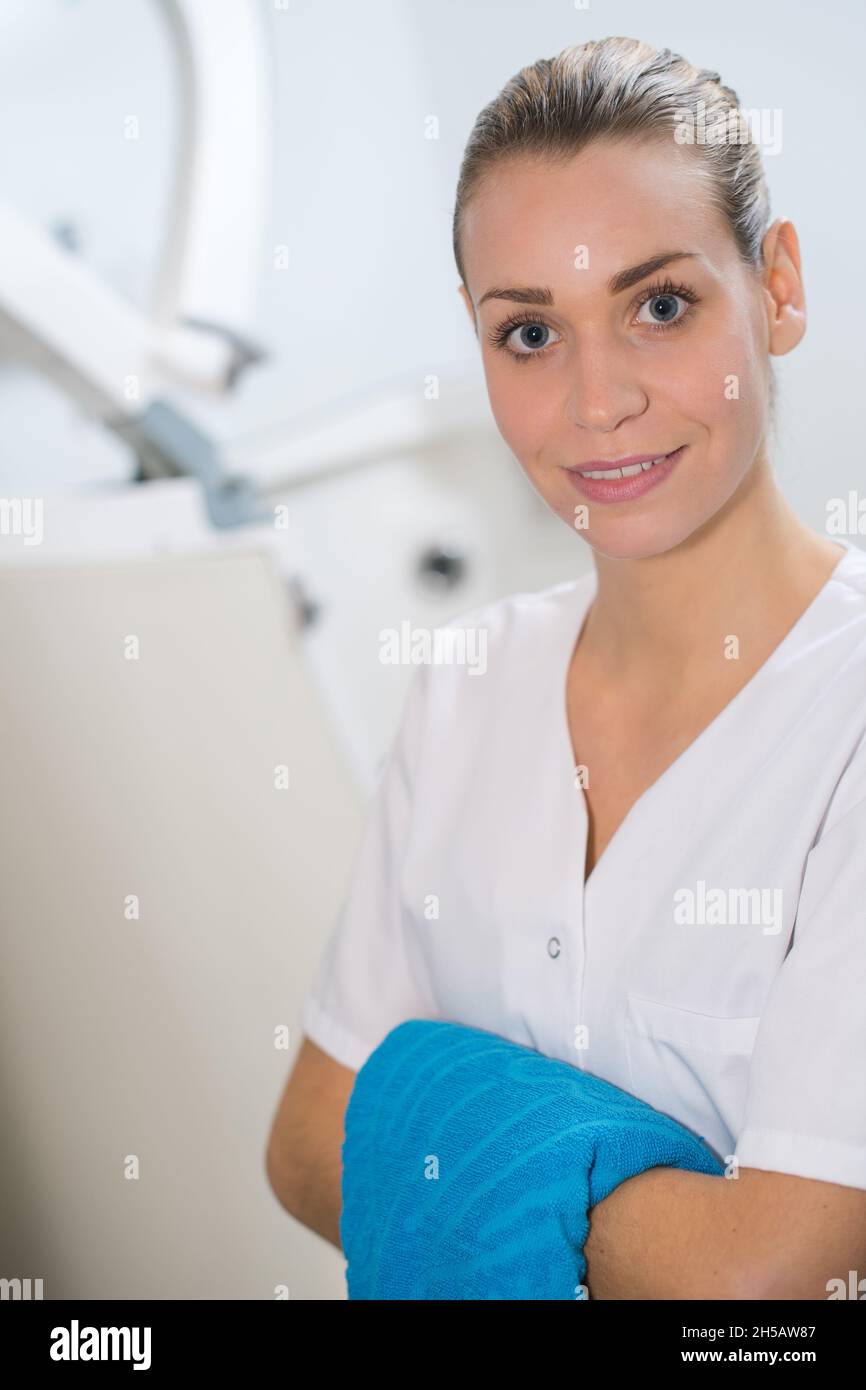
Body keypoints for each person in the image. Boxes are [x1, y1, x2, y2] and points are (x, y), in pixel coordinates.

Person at [266, 35, 866, 1299]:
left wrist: (445, 1118)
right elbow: (304, 1146)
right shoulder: (468, 684)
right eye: (529, 331)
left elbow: (772, 1286)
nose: (597, 401)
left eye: (657, 306)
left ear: (777, 288)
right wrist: (656, 1202)